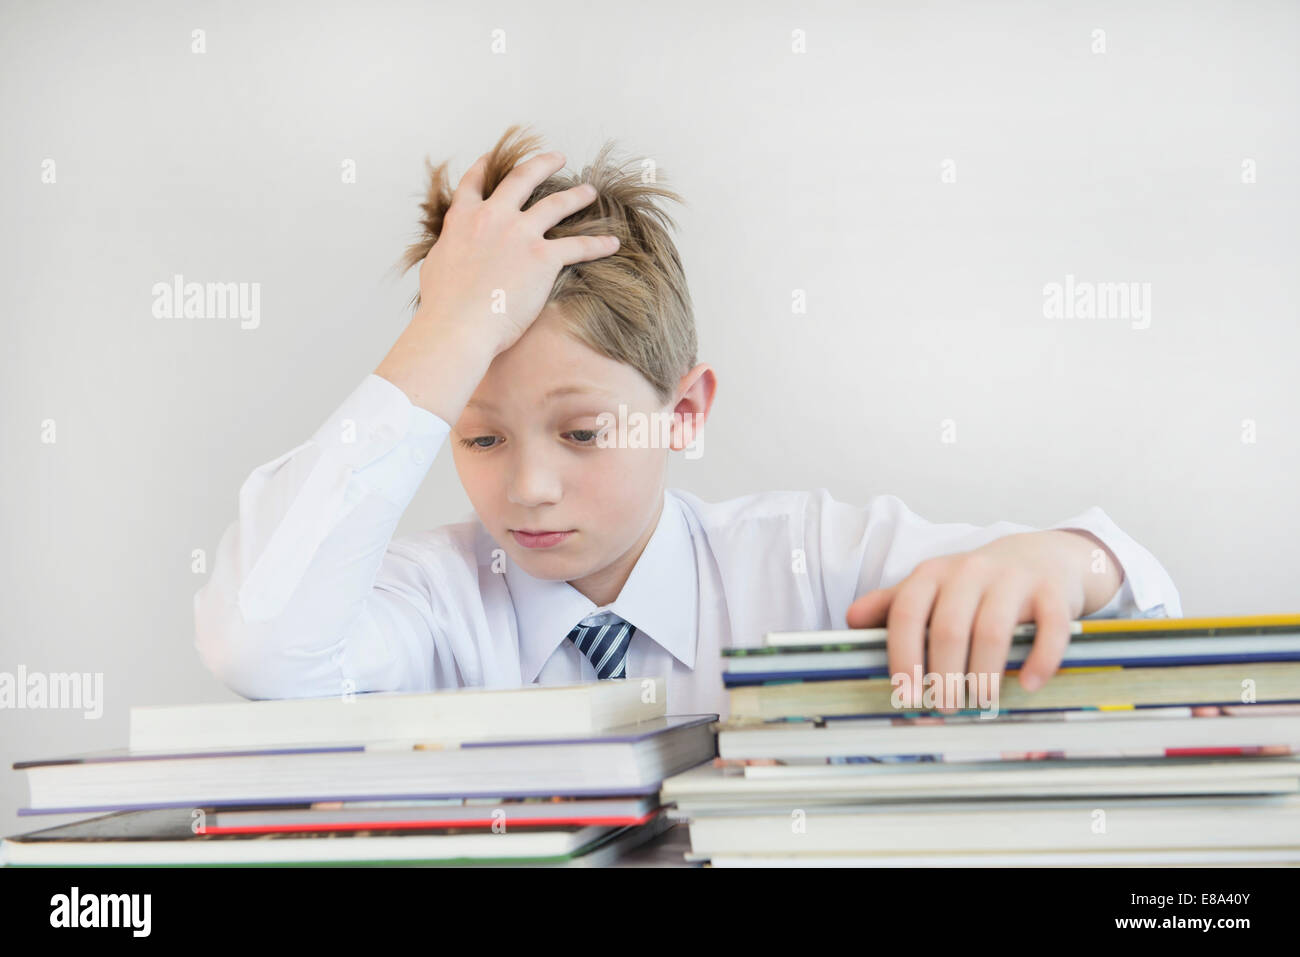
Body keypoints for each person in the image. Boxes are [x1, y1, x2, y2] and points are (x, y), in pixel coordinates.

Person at [193, 124, 1181, 718]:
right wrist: (448, 334)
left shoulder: (806, 561)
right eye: (479, 436)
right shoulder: (432, 603)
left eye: (581, 433)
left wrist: (1062, 561)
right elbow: (259, 647)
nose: (527, 487)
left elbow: (1139, 599)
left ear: (685, 411)